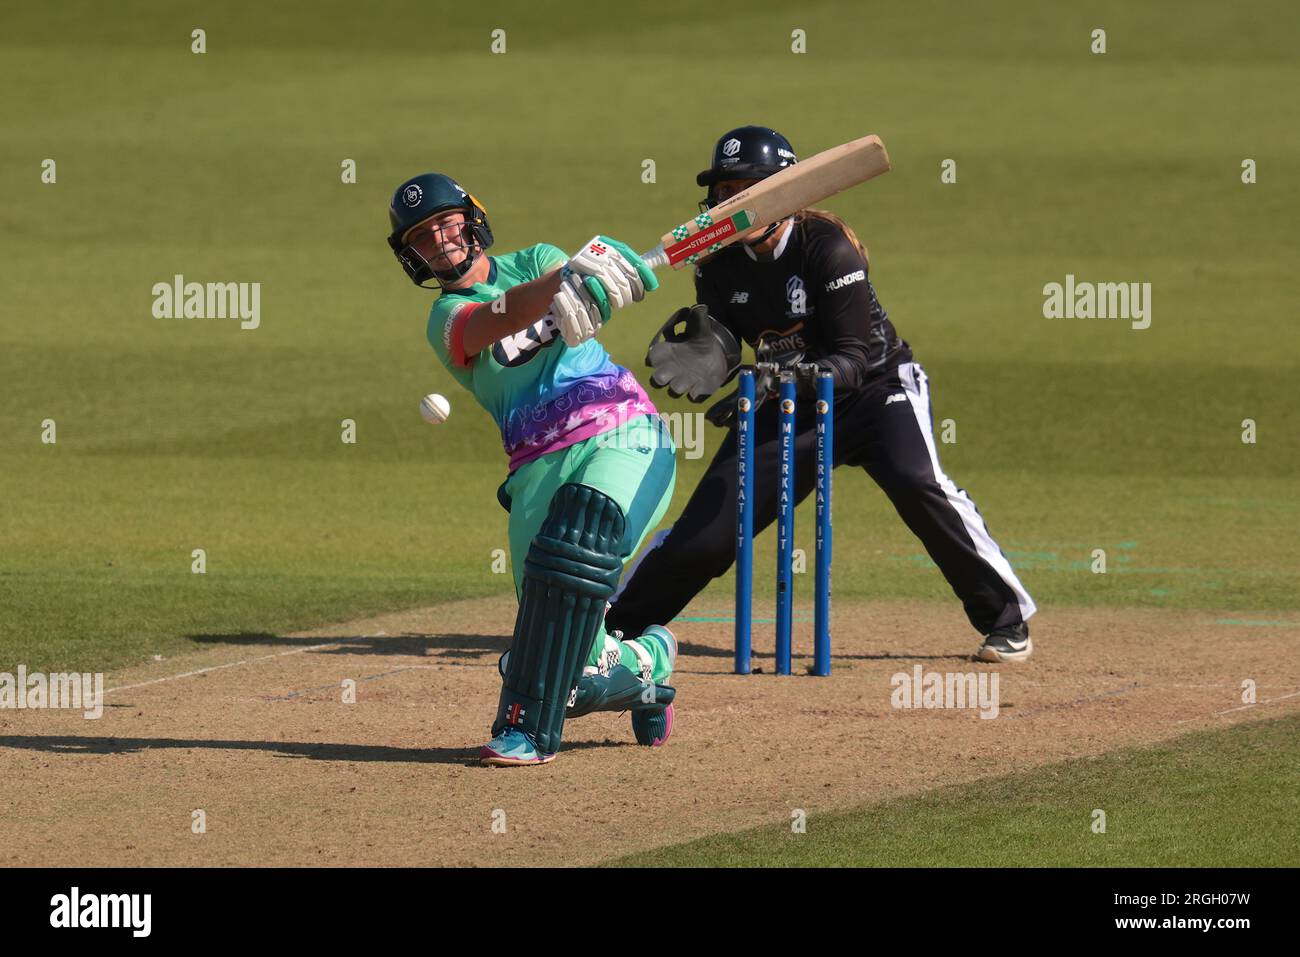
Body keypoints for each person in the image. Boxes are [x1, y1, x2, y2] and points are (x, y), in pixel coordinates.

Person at [606, 127, 1037, 664]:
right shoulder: (715, 263)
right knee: (710, 533)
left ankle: (1005, 618)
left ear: (786, 192)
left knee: (917, 483)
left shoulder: (827, 247)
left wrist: (781, 377)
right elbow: (728, 343)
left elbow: (852, 359)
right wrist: (714, 359)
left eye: (749, 190)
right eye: (725, 192)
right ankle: (613, 629)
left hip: (876, 392)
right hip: (783, 404)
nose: (733, 204)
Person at [386, 172, 679, 766]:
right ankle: (649, 664)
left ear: (472, 220)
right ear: (412, 255)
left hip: (620, 432)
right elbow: (495, 319)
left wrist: (606, 277)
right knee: (560, 659)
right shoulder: (445, 319)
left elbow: (575, 288)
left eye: (446, 223)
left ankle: (526, 732)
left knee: (580, 533)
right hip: (536, 470)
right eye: (422, 236)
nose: (439, 240)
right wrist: (562, 285)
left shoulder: (539, 259)